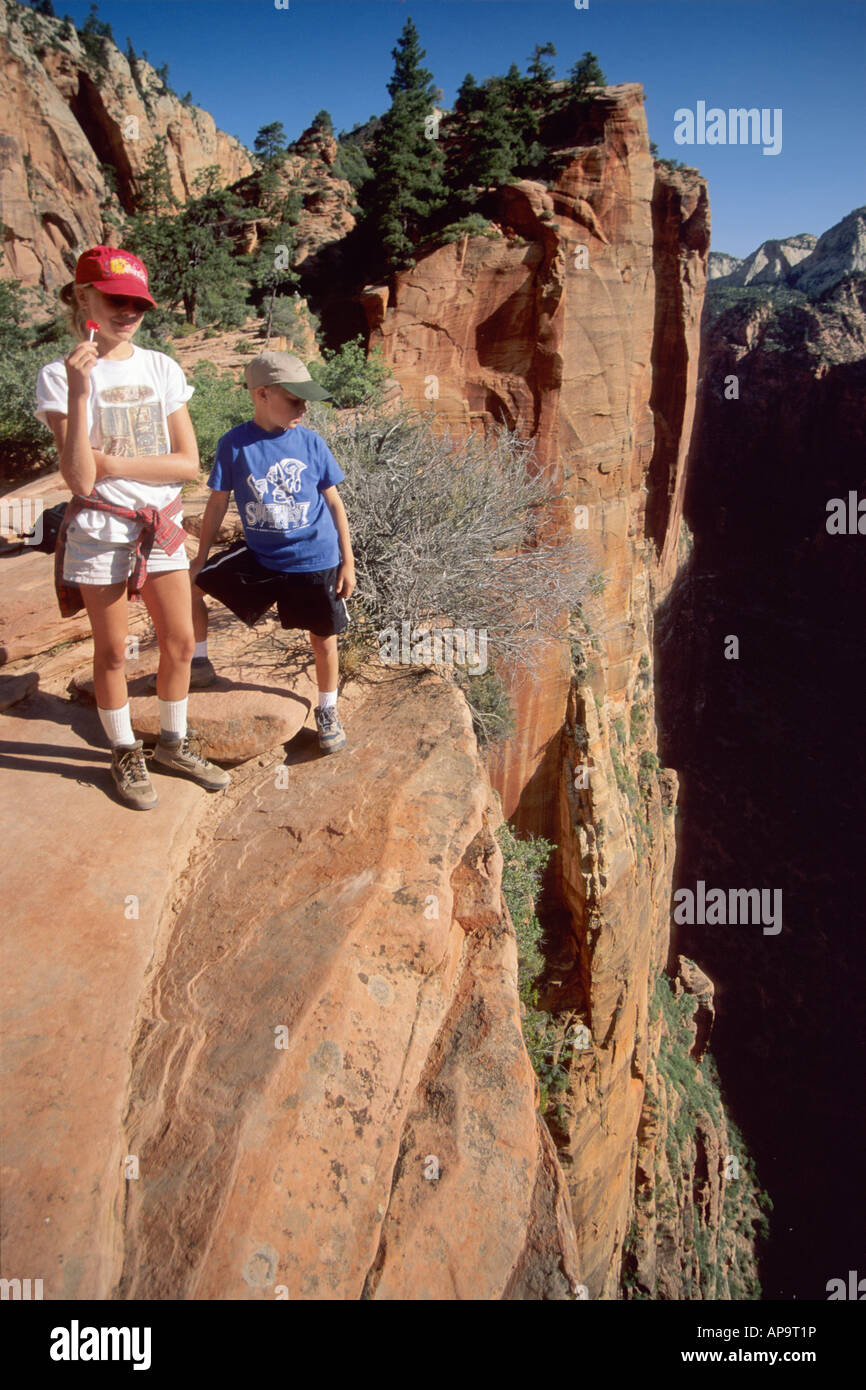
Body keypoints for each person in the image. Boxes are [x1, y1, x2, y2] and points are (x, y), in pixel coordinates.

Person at [34, 244, 230, 809]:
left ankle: (171, 741)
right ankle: (123, 749)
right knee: (115, 651)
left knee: (182, 640)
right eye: (116, 299)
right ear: (83, 297)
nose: (128, 311)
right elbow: (76, 478)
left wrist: (113, 464)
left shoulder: (161, 367)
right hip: (100, 530)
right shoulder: (58, 375)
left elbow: (187, 462)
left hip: (159, 524)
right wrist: (78, 392)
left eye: (137, 302)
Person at [191, 351, 355, 753]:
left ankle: (328, 709)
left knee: (324, 638)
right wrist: (200, 555)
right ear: (262, 394)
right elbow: (216, 504)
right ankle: (198, 660)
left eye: (305, 401)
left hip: (314, 560)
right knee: (193, 583)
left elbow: (334, 503)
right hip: (262, 558)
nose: (303, 408)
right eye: (295, 400)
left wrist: (348, 561)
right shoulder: (234, 444)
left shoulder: (310, 442)